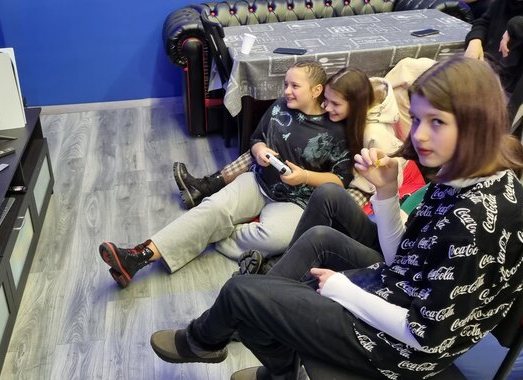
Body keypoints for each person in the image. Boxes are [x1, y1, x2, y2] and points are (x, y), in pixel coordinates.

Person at [149, 57, 523, 380]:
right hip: (398, 289)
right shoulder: (465, 175)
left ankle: (211, 342)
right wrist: (386, 191)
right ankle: (268, 318)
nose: (417, 135)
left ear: (475, 125)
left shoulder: (473, 220)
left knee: (241, 295)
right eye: (417, 119)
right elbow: (403, 259)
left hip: (401, 352)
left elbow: (424, 335)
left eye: (437, 122)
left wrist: (343, 289)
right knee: (320, 217)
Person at [99, 61, 351, 288]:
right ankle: (137, 257)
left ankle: (211, 231)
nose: (287, 91)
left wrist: (304, 176)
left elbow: (340, 180)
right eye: (286, 84)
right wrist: (260, 150)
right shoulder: (278, 107)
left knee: (273, 239)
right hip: (258, 182)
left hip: (297, 202)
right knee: (212, 209)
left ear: (316, 90)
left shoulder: (335, 130)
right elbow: (256, 139)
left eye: (295, 86)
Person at [173, 67, 405, 209]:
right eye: (326, 100)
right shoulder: (344, 110)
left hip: (366, 184)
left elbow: (370, 182)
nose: (326, 107)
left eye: (334, 104)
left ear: (354, 105)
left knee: (338, 208)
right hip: (339, 168)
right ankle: (204, 187)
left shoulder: (373, 135)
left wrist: (311, 178)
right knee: (263, 150)